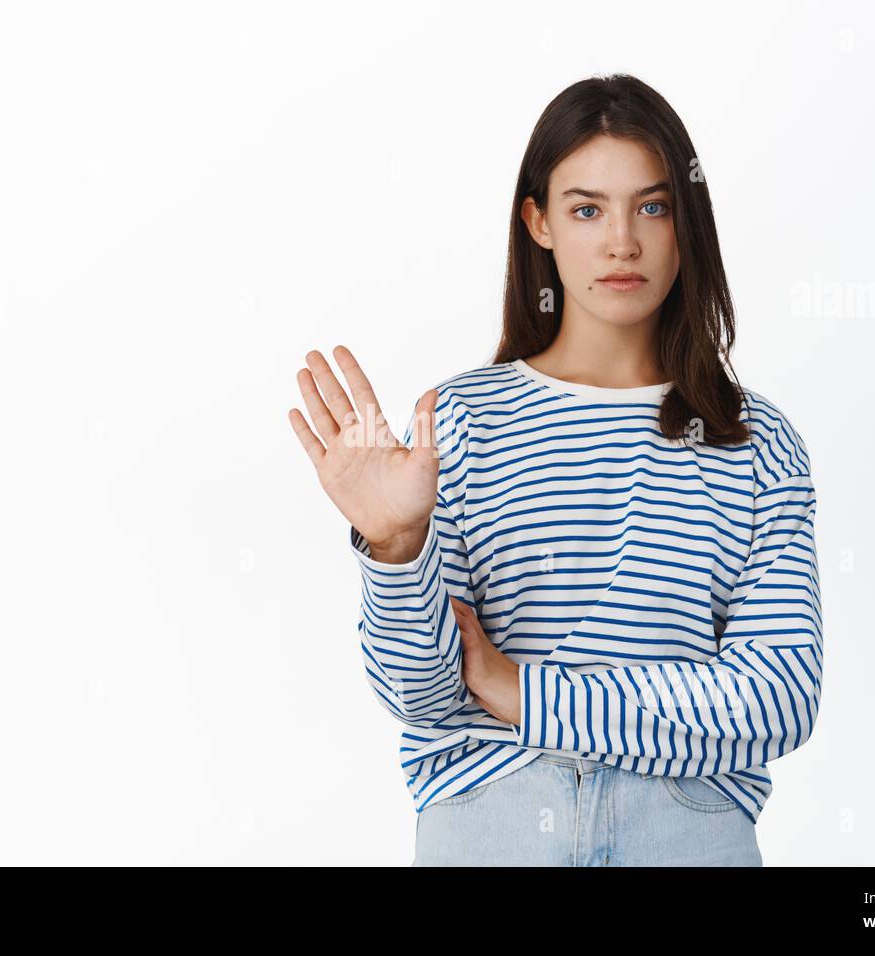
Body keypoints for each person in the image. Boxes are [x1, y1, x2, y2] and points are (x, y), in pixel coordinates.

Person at [287, 73, 821, 866]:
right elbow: (421, 697)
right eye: (586, 209)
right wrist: (397, 548)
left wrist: (525, 692)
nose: (621, 243)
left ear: (686, 220)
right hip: (492, 824)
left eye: (652, 207)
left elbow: (777, 699)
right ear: (538, 221)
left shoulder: (754, 441)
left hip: (684, 832)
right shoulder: (459, 423)